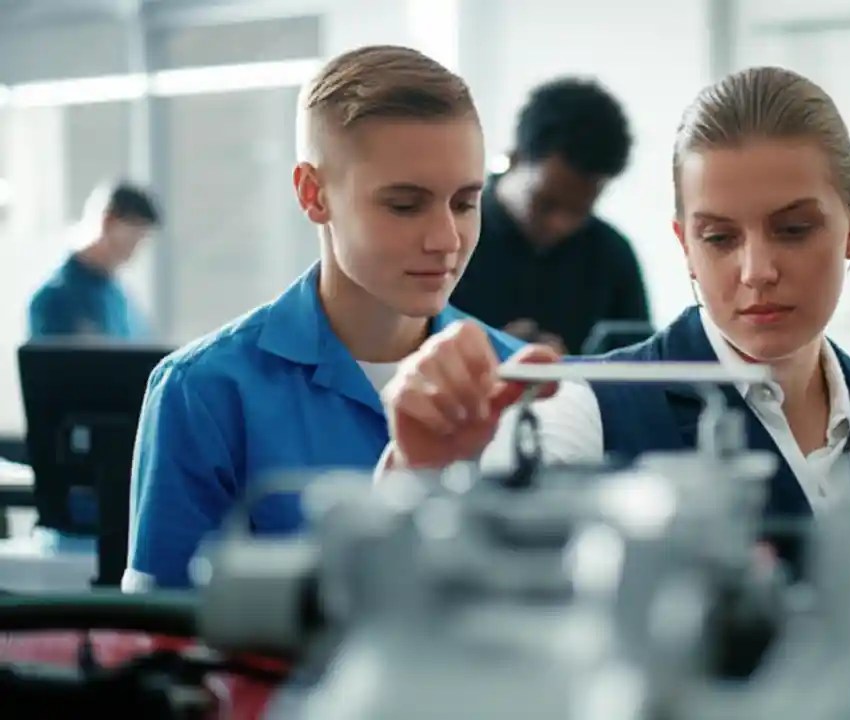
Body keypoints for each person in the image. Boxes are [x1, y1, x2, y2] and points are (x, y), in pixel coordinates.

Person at [379, 67, 850, 567]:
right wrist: (425, 477)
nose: (756, 271)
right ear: (686, 244)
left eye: (793, 229)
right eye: (719, 237)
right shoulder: (580, 409)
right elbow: (476, 602)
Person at [125, 45, 532, 590]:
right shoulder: (203, 391)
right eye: (405, 205)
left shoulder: (519, 382)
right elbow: (162, 639)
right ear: (314, 194)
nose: (447, 240)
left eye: (464, 203)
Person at [448, 77, 650, 354]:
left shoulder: (612, 255)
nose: (560, 225)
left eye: (580, 210)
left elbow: (640, 375)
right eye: (546, 204)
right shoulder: (449, 235)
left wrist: (575, 373)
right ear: (514, 158)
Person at [29, 181, 159, 340]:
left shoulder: (122, 302)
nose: (135, 248)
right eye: (134, 237)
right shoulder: (54, 300)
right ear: (108, 222)